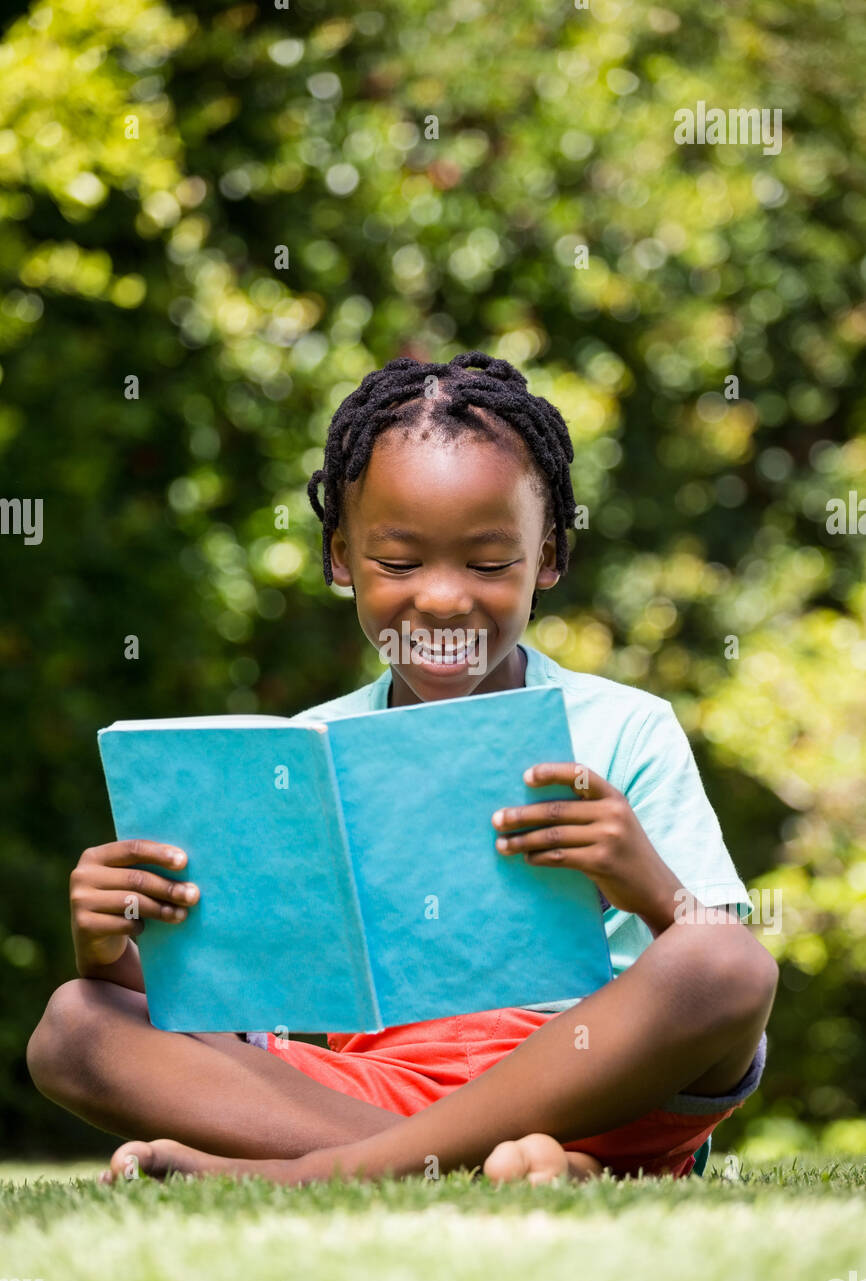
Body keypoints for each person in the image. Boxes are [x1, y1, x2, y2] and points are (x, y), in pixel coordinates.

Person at [27, 351, 777, 1189]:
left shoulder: (623, 727)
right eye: (400, 561)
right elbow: (224, 1016)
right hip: (373, 1082)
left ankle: (316, 1174)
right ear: (341, 557)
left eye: (490, 563)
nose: (446, 598)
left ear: (551, 557)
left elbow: (714, 970)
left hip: (587, 1077)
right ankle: (494, 1165)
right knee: (76, 1025)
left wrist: (646, 883)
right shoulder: (302, 748)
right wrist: (113, 949)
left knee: (729, 962)